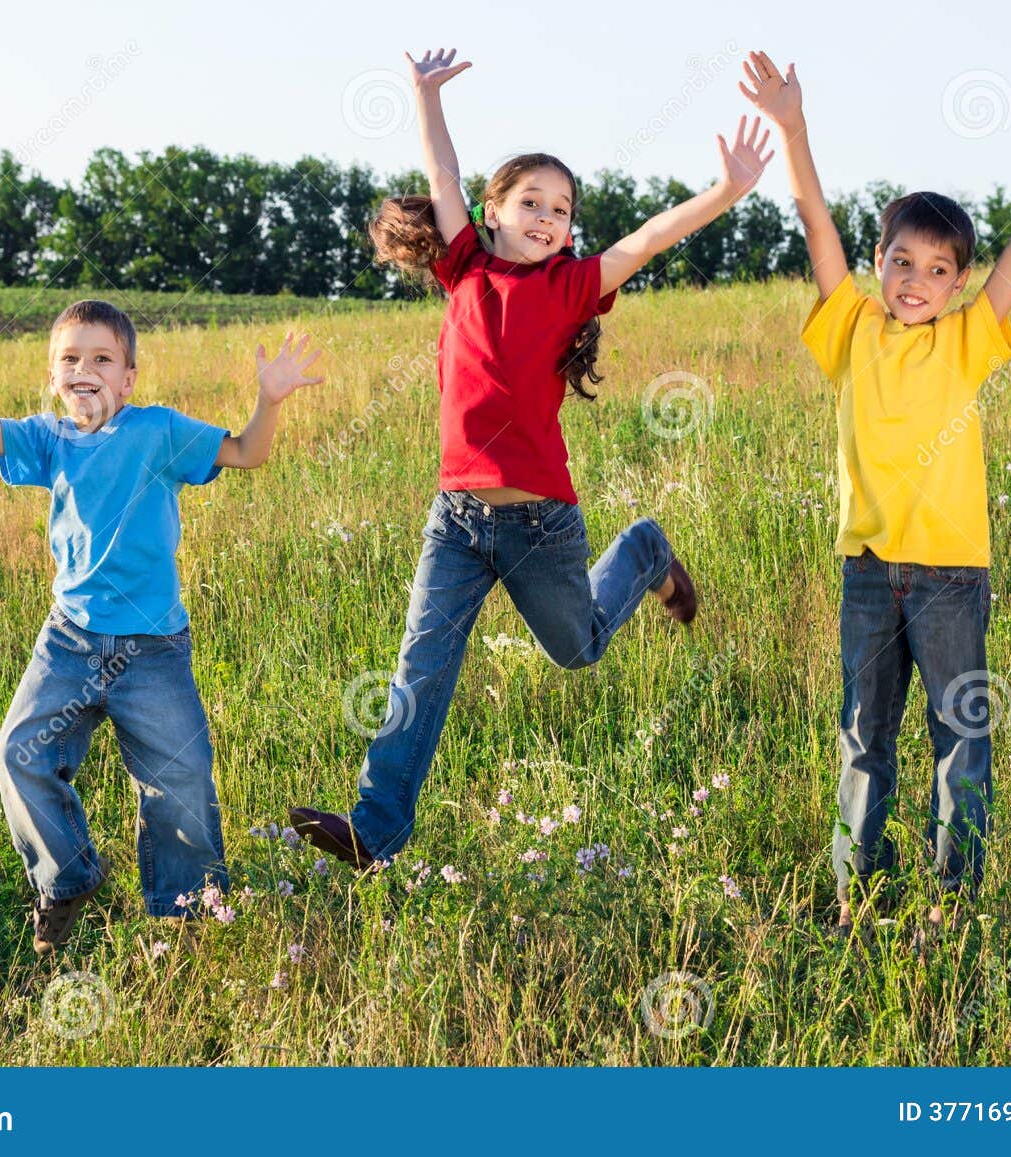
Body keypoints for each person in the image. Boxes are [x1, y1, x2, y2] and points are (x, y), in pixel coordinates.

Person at [290, 47, 773, 867]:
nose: (548, 216)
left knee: (577, 647)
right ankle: (374, 833)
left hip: (542, 525)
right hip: (457, 520)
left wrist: (724, 192)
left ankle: (646, 549)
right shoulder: (465, 269)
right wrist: (424, 95)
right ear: (493, 211)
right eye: (531, 201)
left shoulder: (574, 285)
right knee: (420, 673)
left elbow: (651, 239)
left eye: (562, 207)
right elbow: (440, 171)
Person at [740, 50, 1011, 934]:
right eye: (903, 262)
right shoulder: (854, 327)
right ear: (880, 262)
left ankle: (956, 903)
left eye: (940, 270)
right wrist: (792, 126)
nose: (917, 282)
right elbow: (815, 225)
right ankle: (857, 896)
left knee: (959, 741)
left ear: (958, 282)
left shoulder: (972, 337)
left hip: (948, 578)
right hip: (868, 570)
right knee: (864, 736)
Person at [0, 290, 323, 953]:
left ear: (129, 377)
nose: (86, 369)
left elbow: (248, 453)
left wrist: (270, 400)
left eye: (103, 359)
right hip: (70, 642)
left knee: (182, 781)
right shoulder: (46, 438)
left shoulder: (159, 431)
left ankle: (187, 919)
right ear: (55, 375)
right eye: (71, 358)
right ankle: (69, 877)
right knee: (19, 753)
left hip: (154, 650)